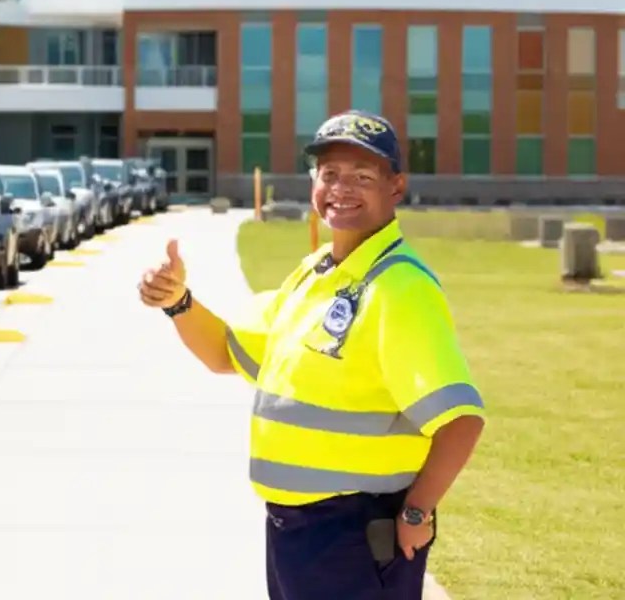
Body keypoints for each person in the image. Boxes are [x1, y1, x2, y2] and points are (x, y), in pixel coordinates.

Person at [138, 110, 485, 599]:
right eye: (330, 175)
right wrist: (178, 300)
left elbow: (461, 420)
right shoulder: (316, 273)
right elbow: (224, 353)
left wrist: (416, 513)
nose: (341, 188)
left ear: (396, 187)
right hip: (295, 535)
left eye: (362, 176)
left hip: (355, 535)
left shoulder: (401, 288)